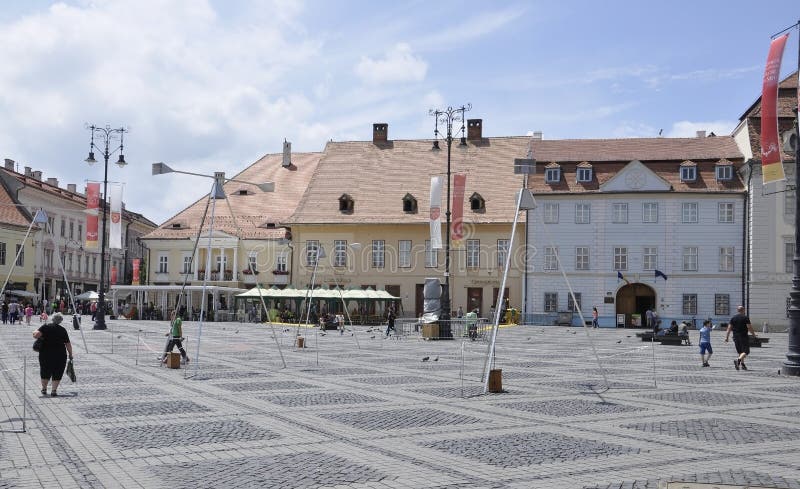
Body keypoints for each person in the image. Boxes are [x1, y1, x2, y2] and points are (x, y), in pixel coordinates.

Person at [32, 312, 73, 397]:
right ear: (60, 321)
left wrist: (34, 331)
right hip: (60, 354)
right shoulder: (62, 330)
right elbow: (68, 344)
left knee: (45, 370)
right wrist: (70, 354)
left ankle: (44, 389)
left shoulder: (45, 327)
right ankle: (54, 390)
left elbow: (36, 335)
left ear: (52, 319)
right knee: (58, 371)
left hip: (45, 353)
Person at [725, 305, 756, 370]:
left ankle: (743, 364)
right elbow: (749, 327)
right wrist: (753, 334)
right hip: (743, 336)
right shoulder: (745, 318)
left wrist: (726, 337)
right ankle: (738, 361)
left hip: (735, 337)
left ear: (738, 310)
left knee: (740, 351)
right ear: (743, 310)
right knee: (746, 351)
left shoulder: (733, 318)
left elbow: (729, 328)